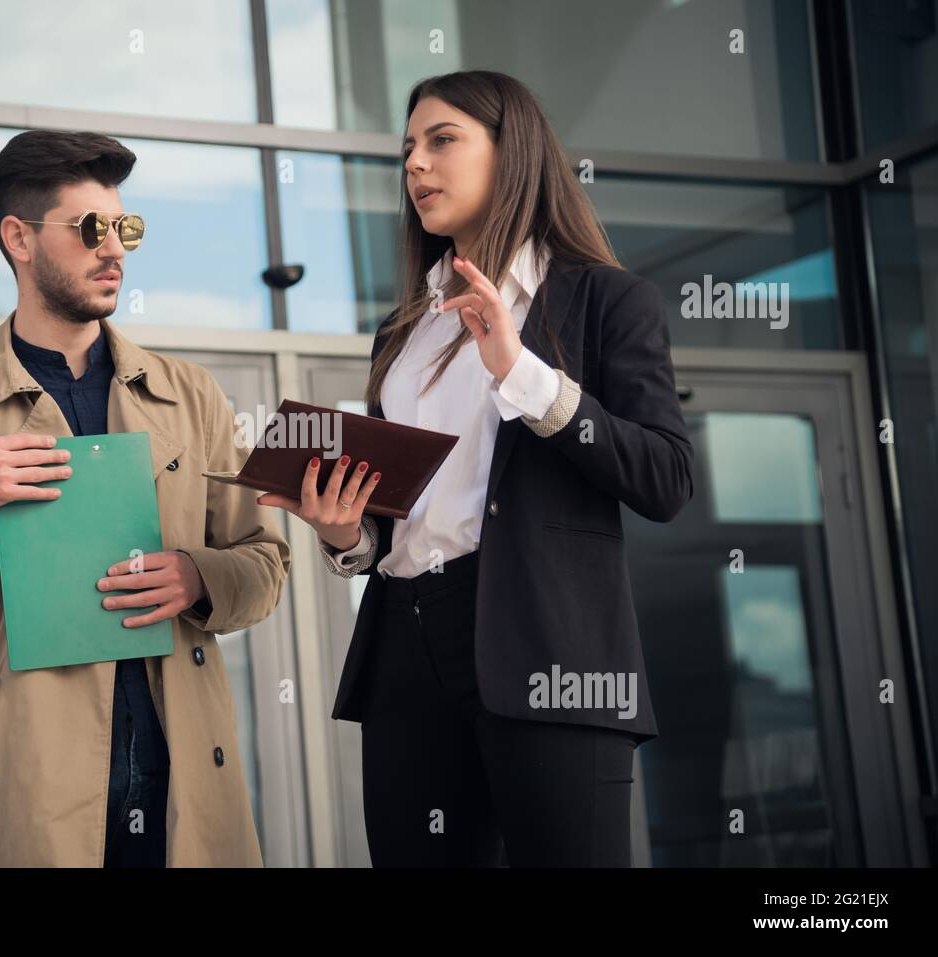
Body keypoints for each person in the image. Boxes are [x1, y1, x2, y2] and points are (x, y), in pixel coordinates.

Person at [258, 71, 694, 867]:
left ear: (513, 151)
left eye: (442, 140)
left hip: (548, 649)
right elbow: (403, 515)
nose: (416, 166)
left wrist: (520, 371)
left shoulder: (606, 300)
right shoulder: (404, 330)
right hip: (405, 647)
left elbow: (665, 477)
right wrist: (347, 535)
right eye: (407, 150)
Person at [0, 129, 290, 867]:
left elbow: (265, 563)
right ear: (18, 238)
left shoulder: (190, 395)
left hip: (178, 774)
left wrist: (197, 575)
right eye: (91, 228)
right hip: (21, 786)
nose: (115, 247)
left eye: (125, 227)